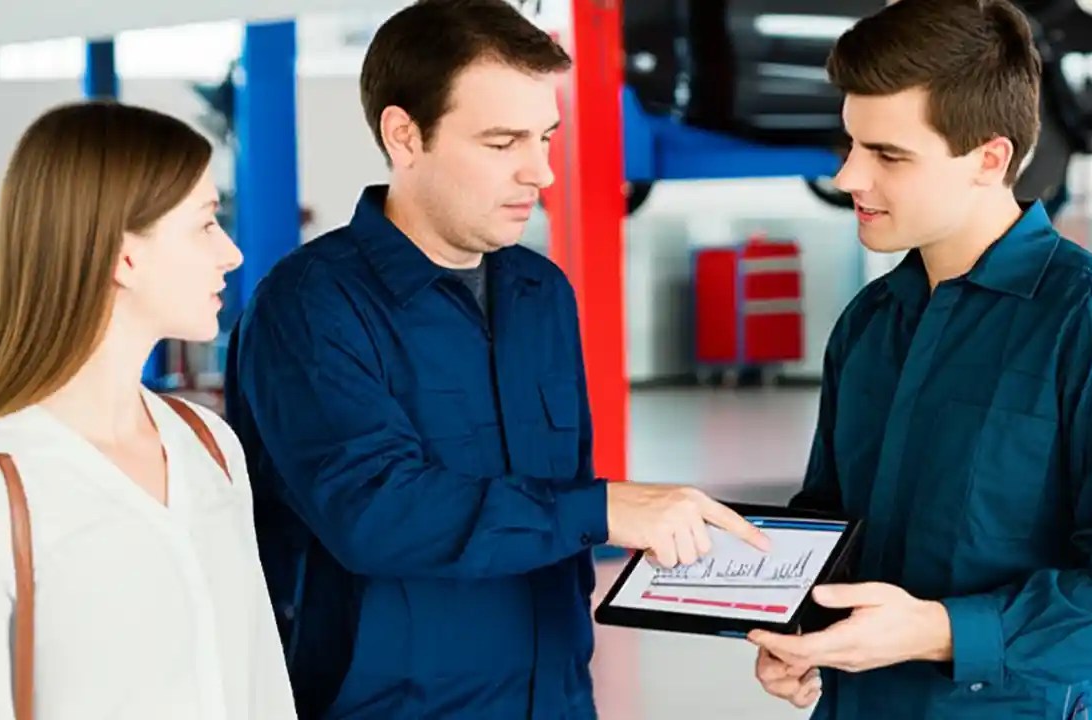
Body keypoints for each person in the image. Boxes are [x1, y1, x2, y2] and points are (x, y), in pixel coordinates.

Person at [223, 1, 769, 718]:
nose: (540, 173)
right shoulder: (310, 306)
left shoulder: (541, 293)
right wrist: (600, 509)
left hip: (556, 698)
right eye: (502, 142)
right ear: (404, 135)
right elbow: (375, 512)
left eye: (545, 137)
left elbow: (559, 501)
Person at [746, 1, 1092, 718]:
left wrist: (942, 631)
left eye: (888, 155)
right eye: (851, 144)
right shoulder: (868, 323)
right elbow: (830, 522)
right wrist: (799, 625)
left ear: (989, 159)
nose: (848, 177)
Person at [0, 101, 297, 719]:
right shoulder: (10, 482)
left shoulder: (209, 445)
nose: (232, 254)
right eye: (206, 225)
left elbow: (263, 686)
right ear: (123, 258)